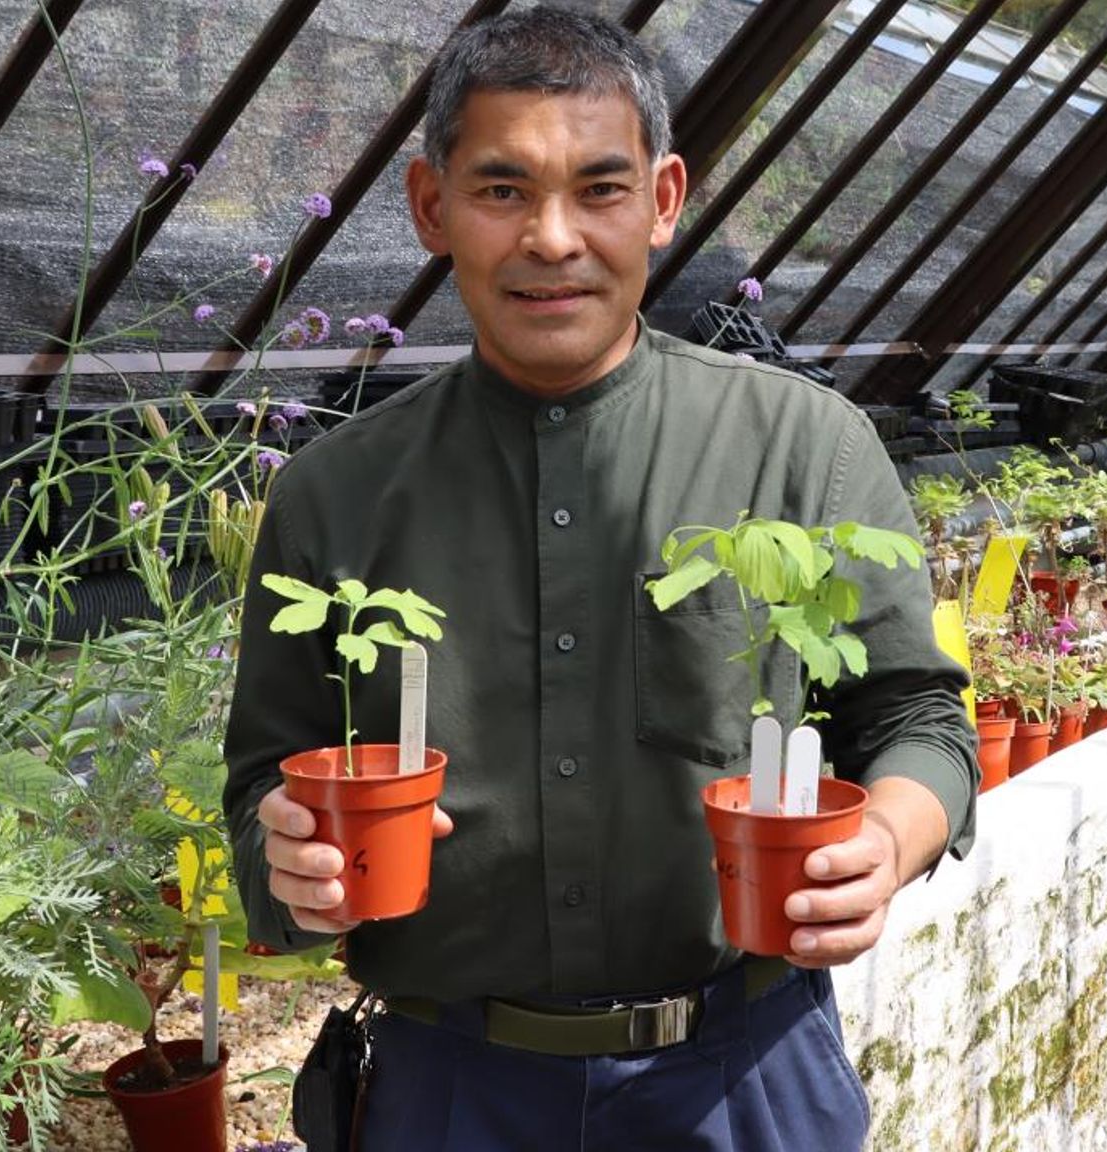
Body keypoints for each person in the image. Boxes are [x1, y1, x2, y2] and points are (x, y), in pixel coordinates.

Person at [222, 9, 977, 1149]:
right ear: (432, 207)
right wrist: (288, 862)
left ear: (664, 200)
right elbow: (258, 786)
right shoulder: (334, 492)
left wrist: (885, 839)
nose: (553, 238)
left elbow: (917, 715)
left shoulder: (800, 446)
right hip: (446, 1085)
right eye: (501, 191)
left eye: (599, 189)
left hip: (743, 1072)